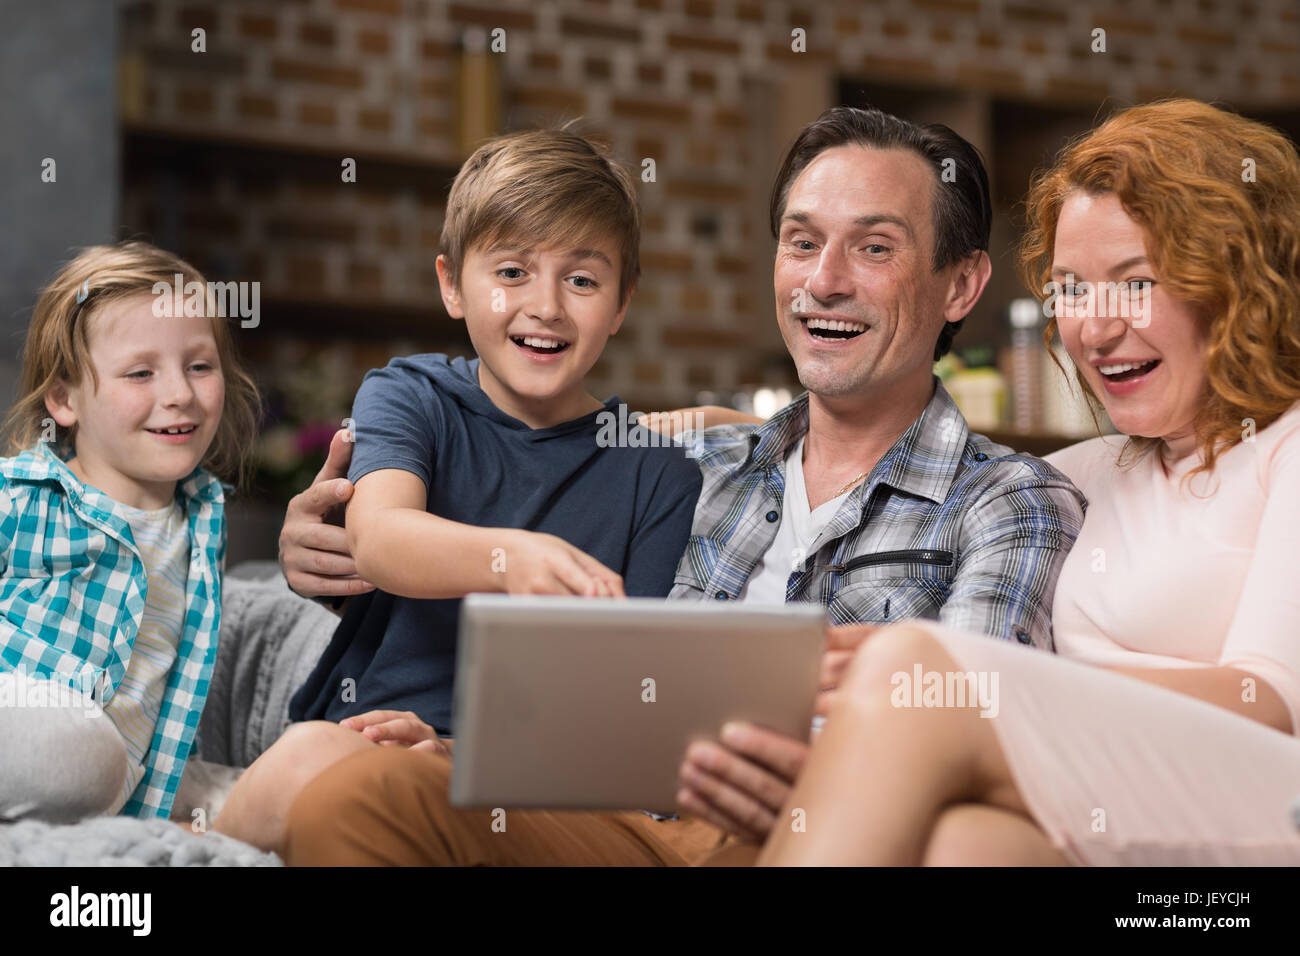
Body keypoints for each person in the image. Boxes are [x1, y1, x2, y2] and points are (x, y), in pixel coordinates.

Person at [271, 107, 1087, 866]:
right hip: (621, 818)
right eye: (802, 243)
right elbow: (529, 464)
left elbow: (979, 724)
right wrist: (336, 534)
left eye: (875, 248)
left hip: (820, 829)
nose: (824, 281)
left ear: (962, 284)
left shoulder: (1010, 502)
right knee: (354, 796)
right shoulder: (696, 461)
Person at [726, 98, 1300, 865]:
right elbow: (901, 459)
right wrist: (729, 434)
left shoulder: (1286, 450)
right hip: (1116, 821)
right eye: (1070, 288)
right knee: (960, 845)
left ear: (1238, 282)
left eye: (1135, 283)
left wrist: (988, 681)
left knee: (914, 665)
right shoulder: (1078, 477)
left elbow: (1270, 709)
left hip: (1266, 807)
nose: (1094, 329)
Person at [211, 128, 705, 853]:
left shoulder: (658, 475)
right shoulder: (411, 395)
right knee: (310, 759)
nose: (546, 306)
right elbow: (381, 540)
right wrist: (514, 559)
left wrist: (469, 758)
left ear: (622, 304)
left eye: (583, 280)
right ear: (451, 284)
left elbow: (629, 699)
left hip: (537, 788)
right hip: (371, 736)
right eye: (511, 271)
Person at [0, 241, 260, 821]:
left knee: (282, 791)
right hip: (27, 730)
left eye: (200, 365)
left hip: (122, 773)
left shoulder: (199, 529)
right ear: (64, 399)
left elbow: (164, 695)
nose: (180, 395)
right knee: (77, 752)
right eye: (141, 373)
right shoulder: (20, 496)